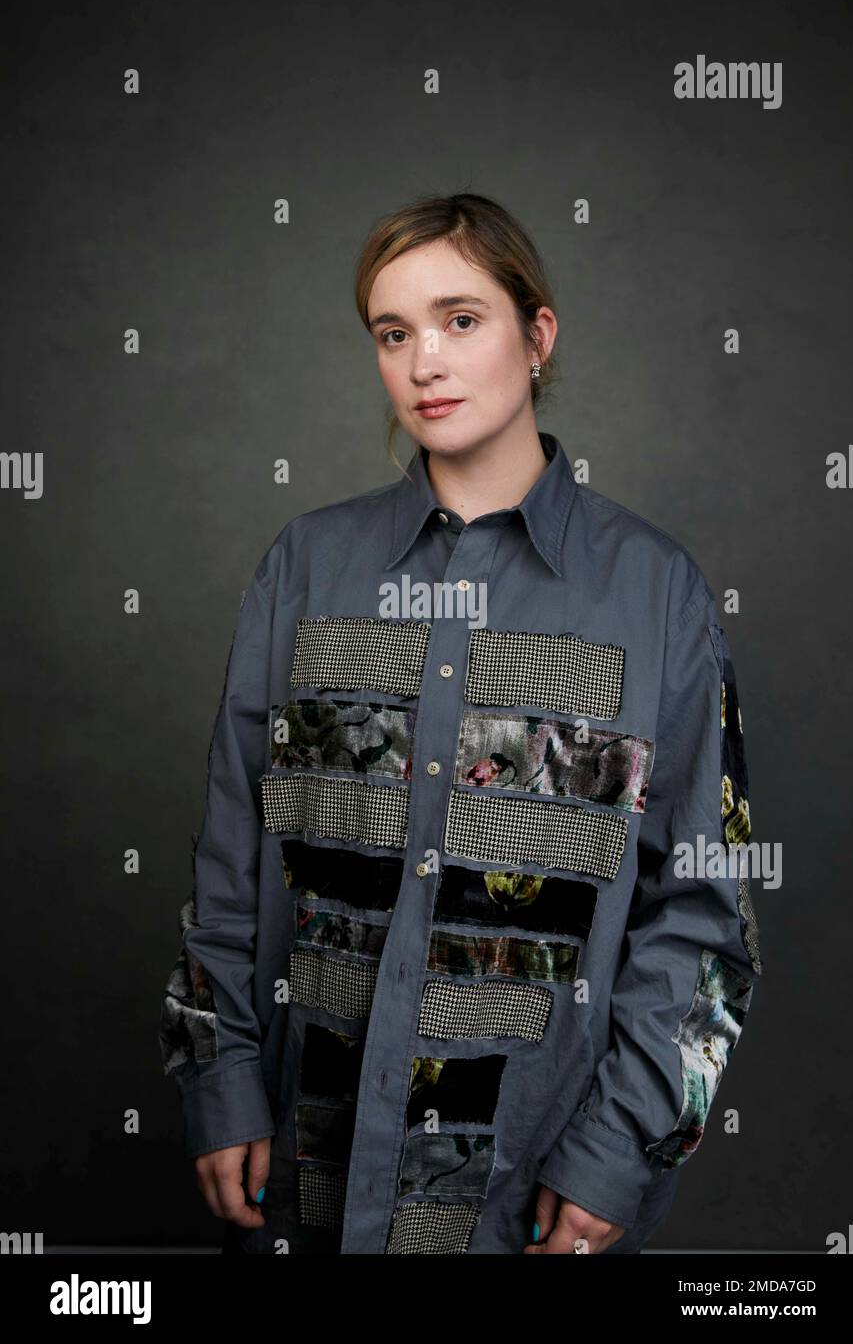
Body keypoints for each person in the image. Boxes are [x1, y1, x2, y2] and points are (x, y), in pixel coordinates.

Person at [159, 191, 763, 1255]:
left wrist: (620, 1149)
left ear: (537, 336)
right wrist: (218, 1078)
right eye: (393, 335)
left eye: (460, 321)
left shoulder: (654, 593)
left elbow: (703, 914)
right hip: (301, 1170)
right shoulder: (305, 567)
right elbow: (230, 854)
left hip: (527, 1189)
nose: (422, 362)